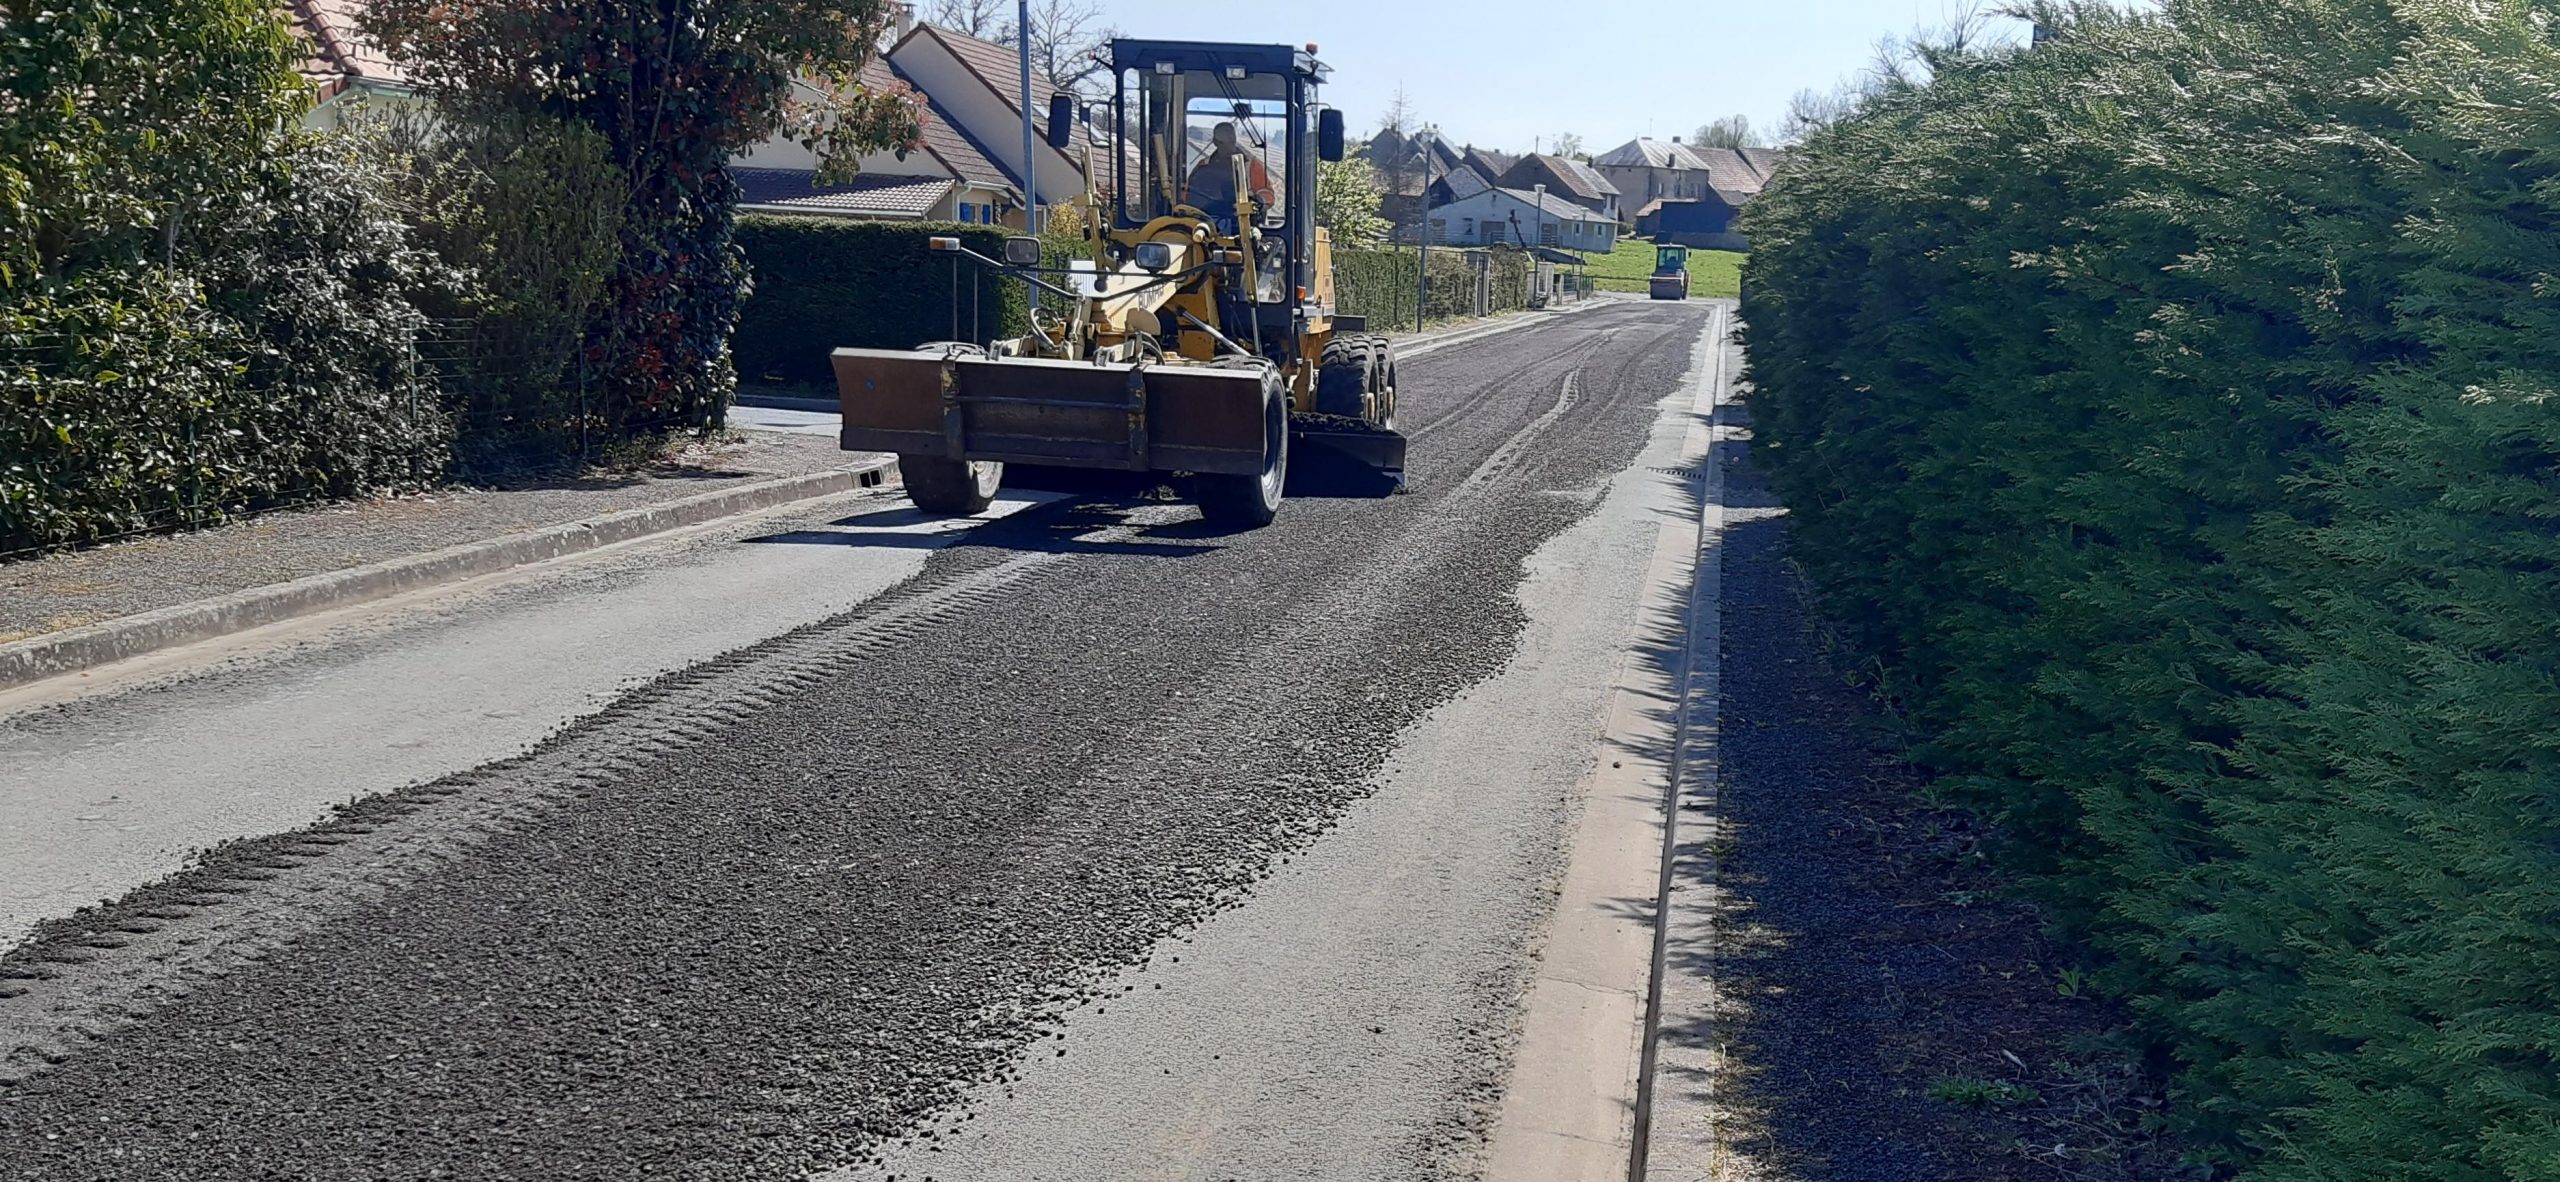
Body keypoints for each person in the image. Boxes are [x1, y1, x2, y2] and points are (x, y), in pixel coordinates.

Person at [1183, 121, 1275, 219]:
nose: (1229, 148)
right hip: (1206, 222)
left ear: (1235, 140)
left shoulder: (1251, 165)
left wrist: (1258, 201)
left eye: (1231, 142)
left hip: (1245, 224)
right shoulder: (1202, 167)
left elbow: (1267, 194)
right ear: (1215, 142)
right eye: (1222, 143)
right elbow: (1187, 196)